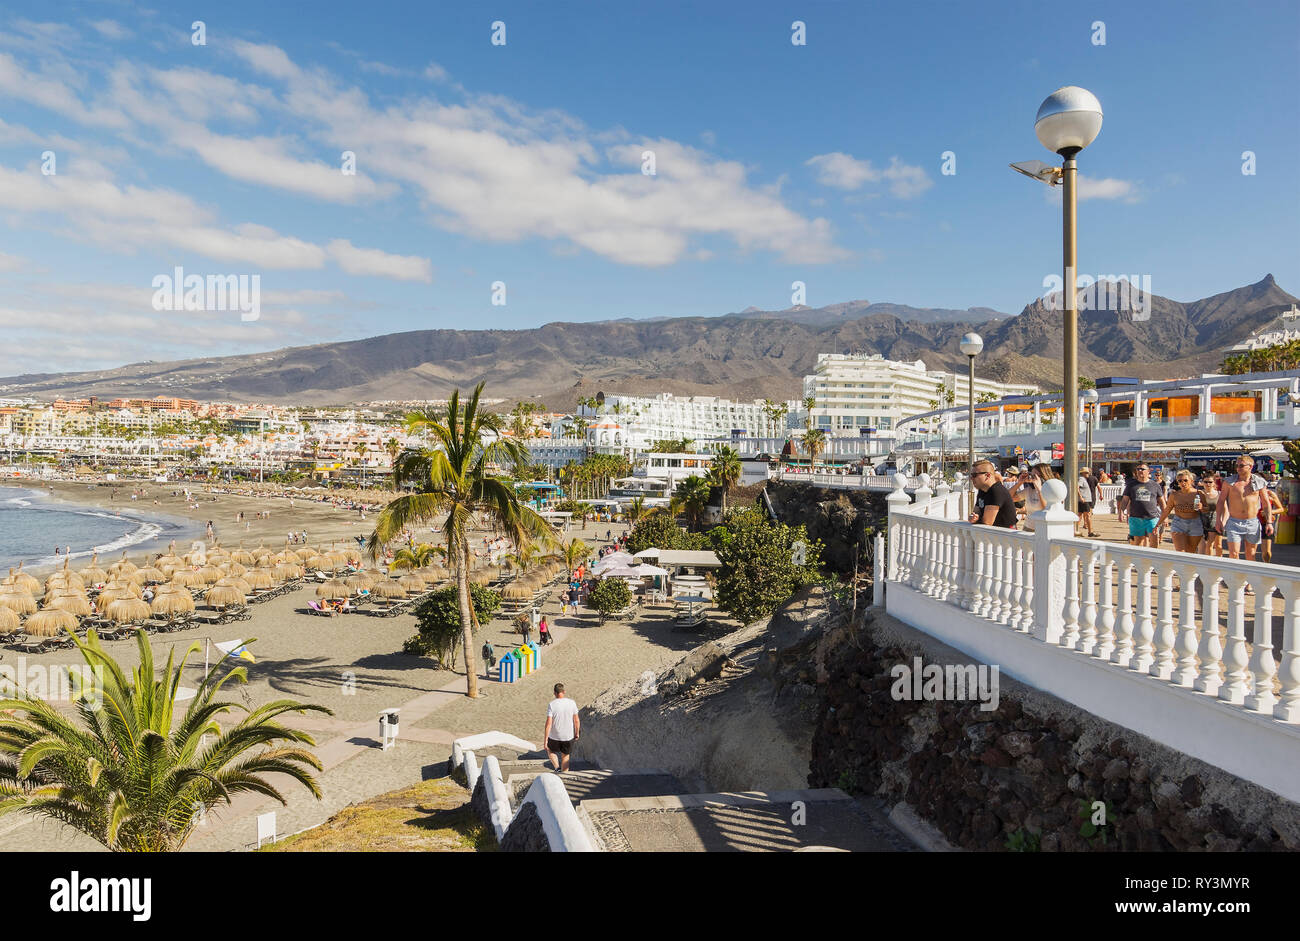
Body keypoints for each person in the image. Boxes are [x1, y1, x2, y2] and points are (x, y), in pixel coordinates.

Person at [1216, 455, 1272, 562]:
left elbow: (1265, 503)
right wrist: (1219, 520)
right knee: (1233, 554)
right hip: (1234, 521)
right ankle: (1235, 578)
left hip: (1252, 522)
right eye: (1237, 465)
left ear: (1250, 466)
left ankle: (1248, 578)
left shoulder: (1259, 482)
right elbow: (1221, 501)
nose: (1238, 468)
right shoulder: (1229, 482)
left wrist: (1269, 522)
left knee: (1250, 554)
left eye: (1241, 465)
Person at [1156, 470, 1204, 554]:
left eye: (1185, 480)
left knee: (1191, 552)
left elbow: (1206, 510)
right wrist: (1158, 524)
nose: (1183, 483)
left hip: (1195, 523)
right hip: (1178, 523)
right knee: (1180, 552)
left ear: (1191, 481)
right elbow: (1167, 510)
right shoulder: (1174, 495)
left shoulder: (1199, 493)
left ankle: (1189, 567)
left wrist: (1202, 507)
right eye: (1180, 481)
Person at [1118, 464, 1166, 547]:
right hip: (1136, 518)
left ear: (1148, 471)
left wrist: (1165, 516)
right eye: (1138, 469)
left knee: (1154, 542)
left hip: (1152, 517)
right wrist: (1121, 512)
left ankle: (1153, 559)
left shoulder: (1155, 485)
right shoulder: (1131, 485)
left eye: (1142, 469)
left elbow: (1162, 501)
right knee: (1138, 543)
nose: (1140, 471)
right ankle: (1139, 560)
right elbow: (1125, 500)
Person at [543, 682, 580, 772]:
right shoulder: (572, 703)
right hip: (568, 736)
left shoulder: (552, 704)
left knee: (550, 750)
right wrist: (577, 733)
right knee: (565, 756)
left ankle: (557, 767)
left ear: (555, 693)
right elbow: (576, 720)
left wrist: (545, 740)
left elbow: (548, 723)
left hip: (554, 736)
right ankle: (565, 775)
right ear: (564, 692)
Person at [969, 460, 1017, 528]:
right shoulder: (982, 490)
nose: (971, 478)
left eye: (974, 475)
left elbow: (987, 522)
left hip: (1005, 535)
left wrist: (975, 519)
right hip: (994, 534)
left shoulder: (997, 491)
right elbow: (976, 512)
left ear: (987, 475)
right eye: (971, 475)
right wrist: (973, 517)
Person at [1259, 484, 1285, 564]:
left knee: (1267, 552)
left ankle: (1266, 564)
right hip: (1252, 522)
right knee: (1251, 550)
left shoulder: (1270, 493)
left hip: (1265, 523)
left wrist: (1270, 512)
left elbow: (1281, 509)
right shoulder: (1249, 493)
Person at [1197, 474, 1222, 557]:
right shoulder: (1199, 494)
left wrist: (1223, 521)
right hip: (1202, 520)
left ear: (1214, 483)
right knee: (1207, 544)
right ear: (1202, 483)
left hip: (1215, 520)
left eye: (1210, 482)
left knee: (1218, 545)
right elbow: (1195, 508)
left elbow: (1225, 509)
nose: (1208, 484)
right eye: (1205, 482)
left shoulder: (1219, 493)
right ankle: (1209, 565)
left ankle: (1220, 564)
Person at [1077, 469, 1099, 537]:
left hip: (1084, 500)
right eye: (1086, 472)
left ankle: (1076, 531)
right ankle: (1090, 532)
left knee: (1080, 515)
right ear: (1082, 473)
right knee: (1087, 515)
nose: (1088, 473)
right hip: (1084, 500)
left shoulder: (1084, 479)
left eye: (1088, 472)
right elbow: (1077, 487)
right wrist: (1081, 497)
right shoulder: (1081, 479)